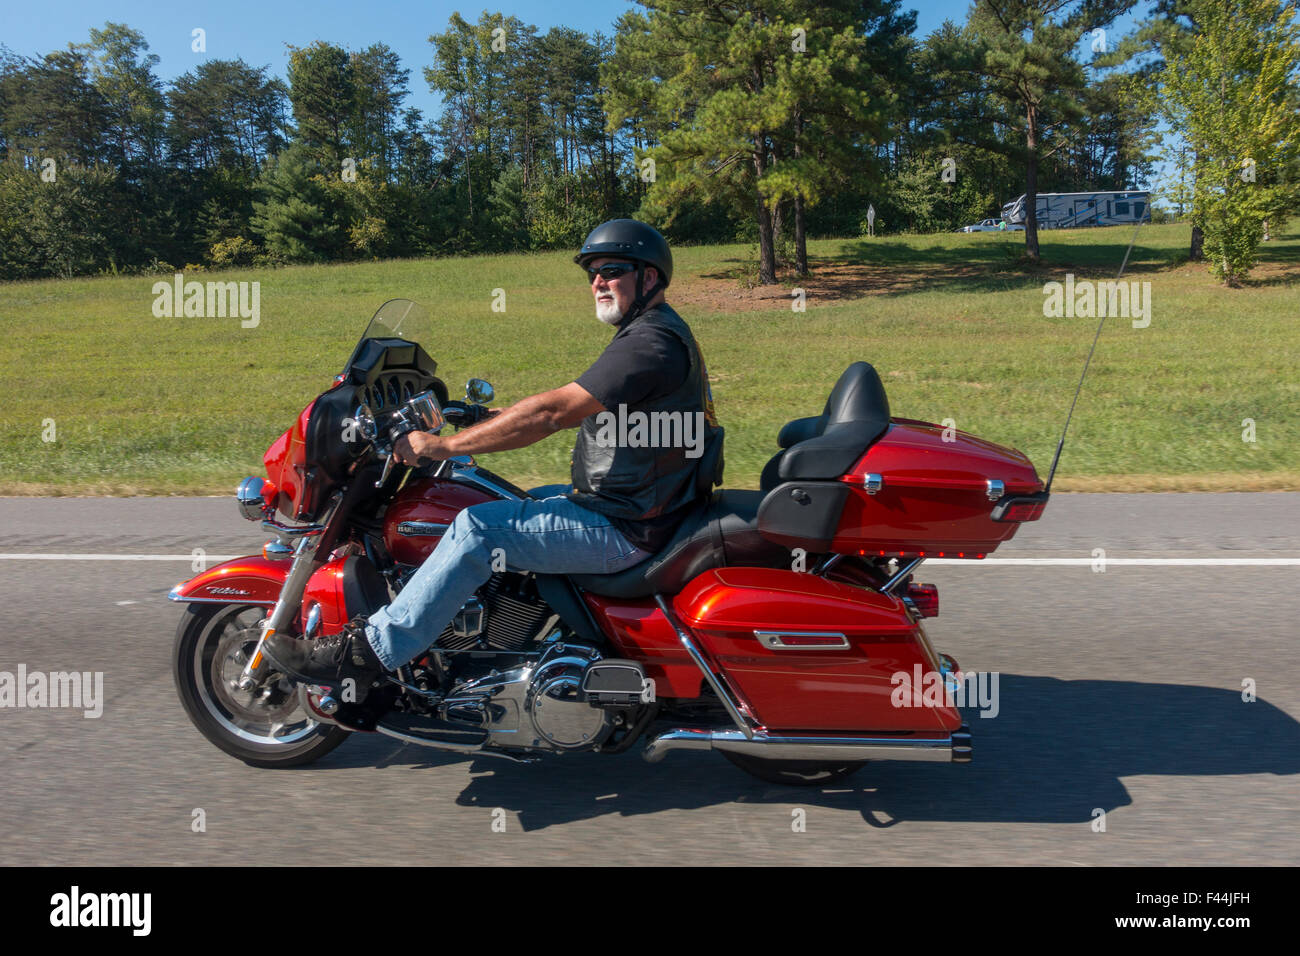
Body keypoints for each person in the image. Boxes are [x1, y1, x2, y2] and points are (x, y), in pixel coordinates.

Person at [263, 219, 722, 691]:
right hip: (637, 506)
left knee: (476, 529)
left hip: (627, 525)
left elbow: (553, 413)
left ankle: (368, 651)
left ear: (649, 277)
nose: (599, 282)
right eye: (592, 273)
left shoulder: (650, 344)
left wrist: (443, 446)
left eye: (613, 270)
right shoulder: (658, 334)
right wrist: (486, 417)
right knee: (501, 497)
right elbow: (590, 408)